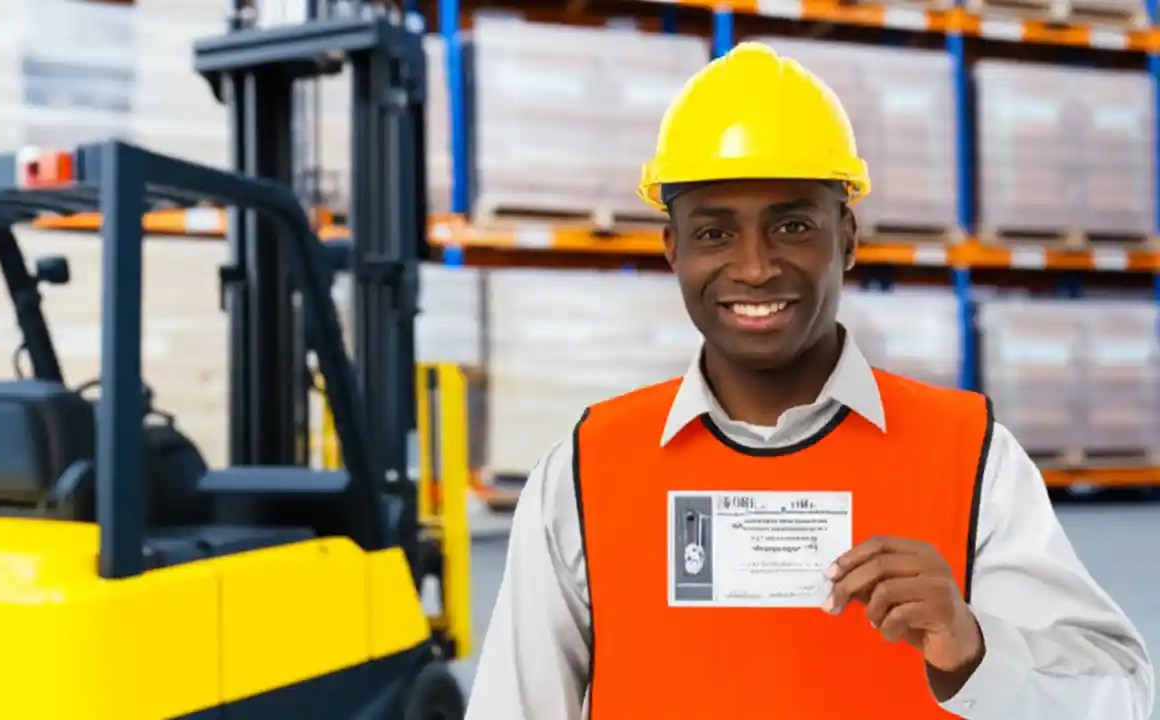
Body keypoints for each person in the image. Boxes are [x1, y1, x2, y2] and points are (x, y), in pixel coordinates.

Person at [465, 41, 1154, 719]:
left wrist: (974, 651)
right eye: (714, 233)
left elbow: (1121, 699)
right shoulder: (585, 472)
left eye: (792, 225)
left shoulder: (972, 458)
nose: (756, 267)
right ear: (672, 250)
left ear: (847, 237)